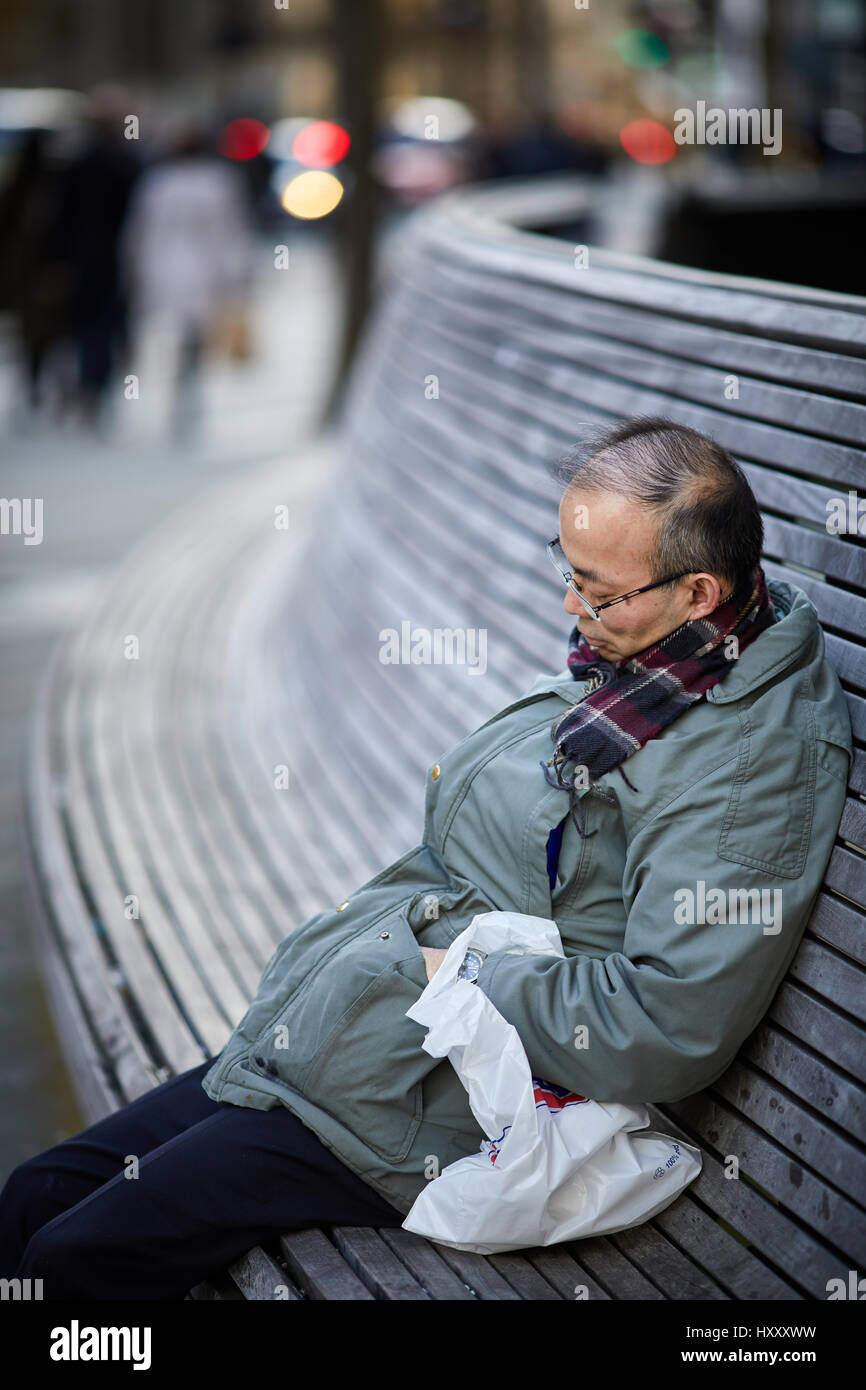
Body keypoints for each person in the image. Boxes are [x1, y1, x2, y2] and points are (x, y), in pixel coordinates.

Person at [0, 417, 852, 1298]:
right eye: (568, 573)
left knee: (75, 1264)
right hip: (376, 1029)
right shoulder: (663, 665)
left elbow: (664, 1026)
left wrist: (470, 972)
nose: (572, 608)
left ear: (700, 591)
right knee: (36, 1196)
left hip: (439, 1111)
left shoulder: (747, 772)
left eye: (596, 591)